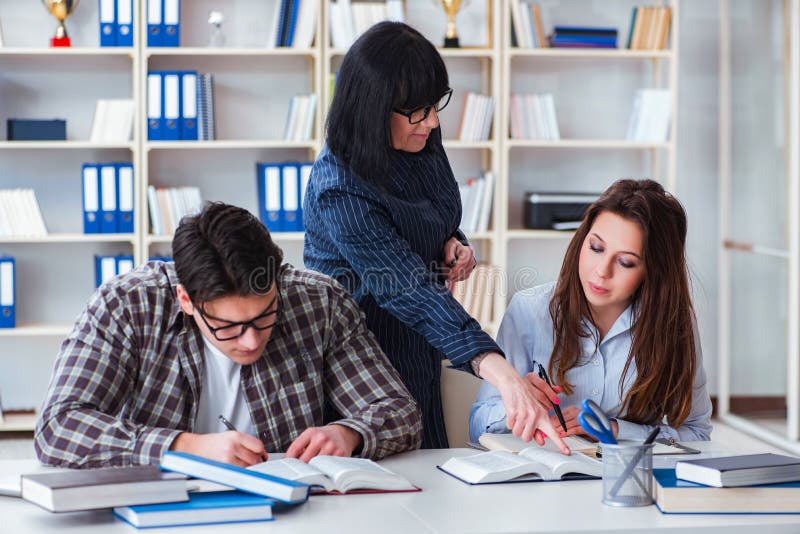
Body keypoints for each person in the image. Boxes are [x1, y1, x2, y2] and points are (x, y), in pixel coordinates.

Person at [303, 21, 567, 452]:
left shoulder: (420, 135)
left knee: (432, 486)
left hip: (420, 346)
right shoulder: (340, 185)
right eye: (417, 112)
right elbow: (410, 290)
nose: (432, 121)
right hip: (360, 361)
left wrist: (452, 242)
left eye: (435, 105)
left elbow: (435, 213)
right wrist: (499, 370)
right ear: (372, 110)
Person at [35, 202, 422, 468]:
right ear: (185, 300)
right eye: (228, 327)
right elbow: (58, 428)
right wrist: (185, 447)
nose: (251, 340)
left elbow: (400, 411)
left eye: (264, 315)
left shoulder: (318, 301)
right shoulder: (126, 306)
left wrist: (347, 432)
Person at [470, 179, 713, 443]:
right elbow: (477, 427)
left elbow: (697, 433)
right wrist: (517, 402)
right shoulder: (529, 310)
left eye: (626, 262)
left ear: (654, 272)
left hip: (628, 476)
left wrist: (617, 430)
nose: (601, 271)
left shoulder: (673, 322)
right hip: (543, 477)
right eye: (596, 248)